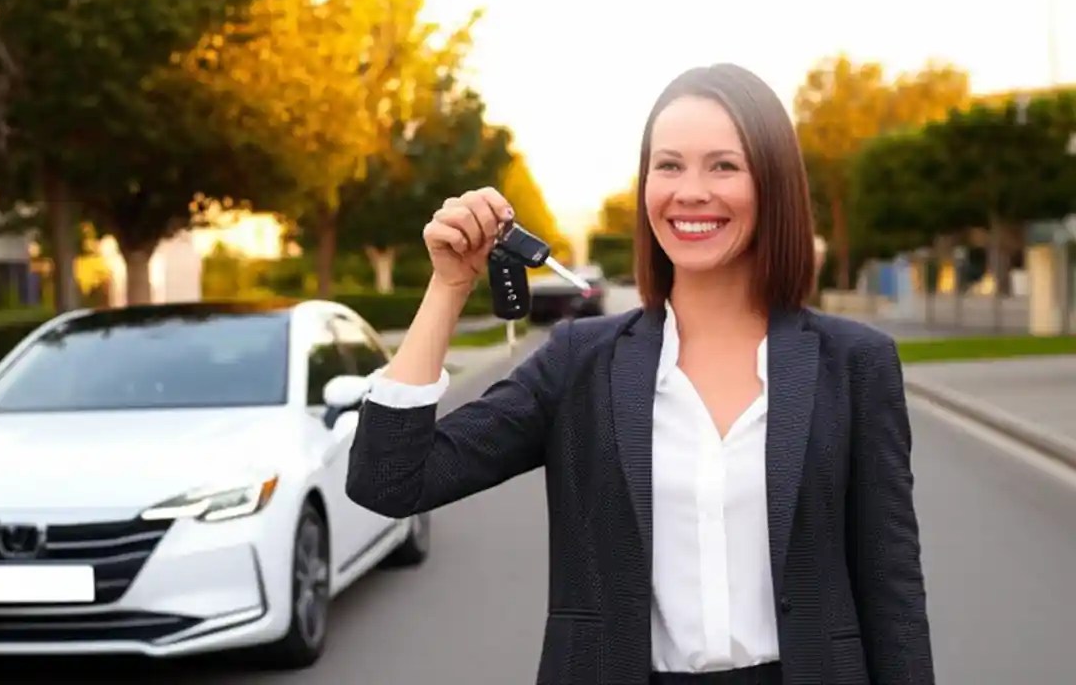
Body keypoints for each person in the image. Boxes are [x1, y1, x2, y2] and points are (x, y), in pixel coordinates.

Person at [346, 63, 934, 685]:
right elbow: (389, 481)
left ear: (773, 185)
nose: (691, 191)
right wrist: (448, 286)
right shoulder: (580, 363)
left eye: (724, 166)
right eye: (669, 165)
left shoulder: (855, 364)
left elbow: (892, 590)